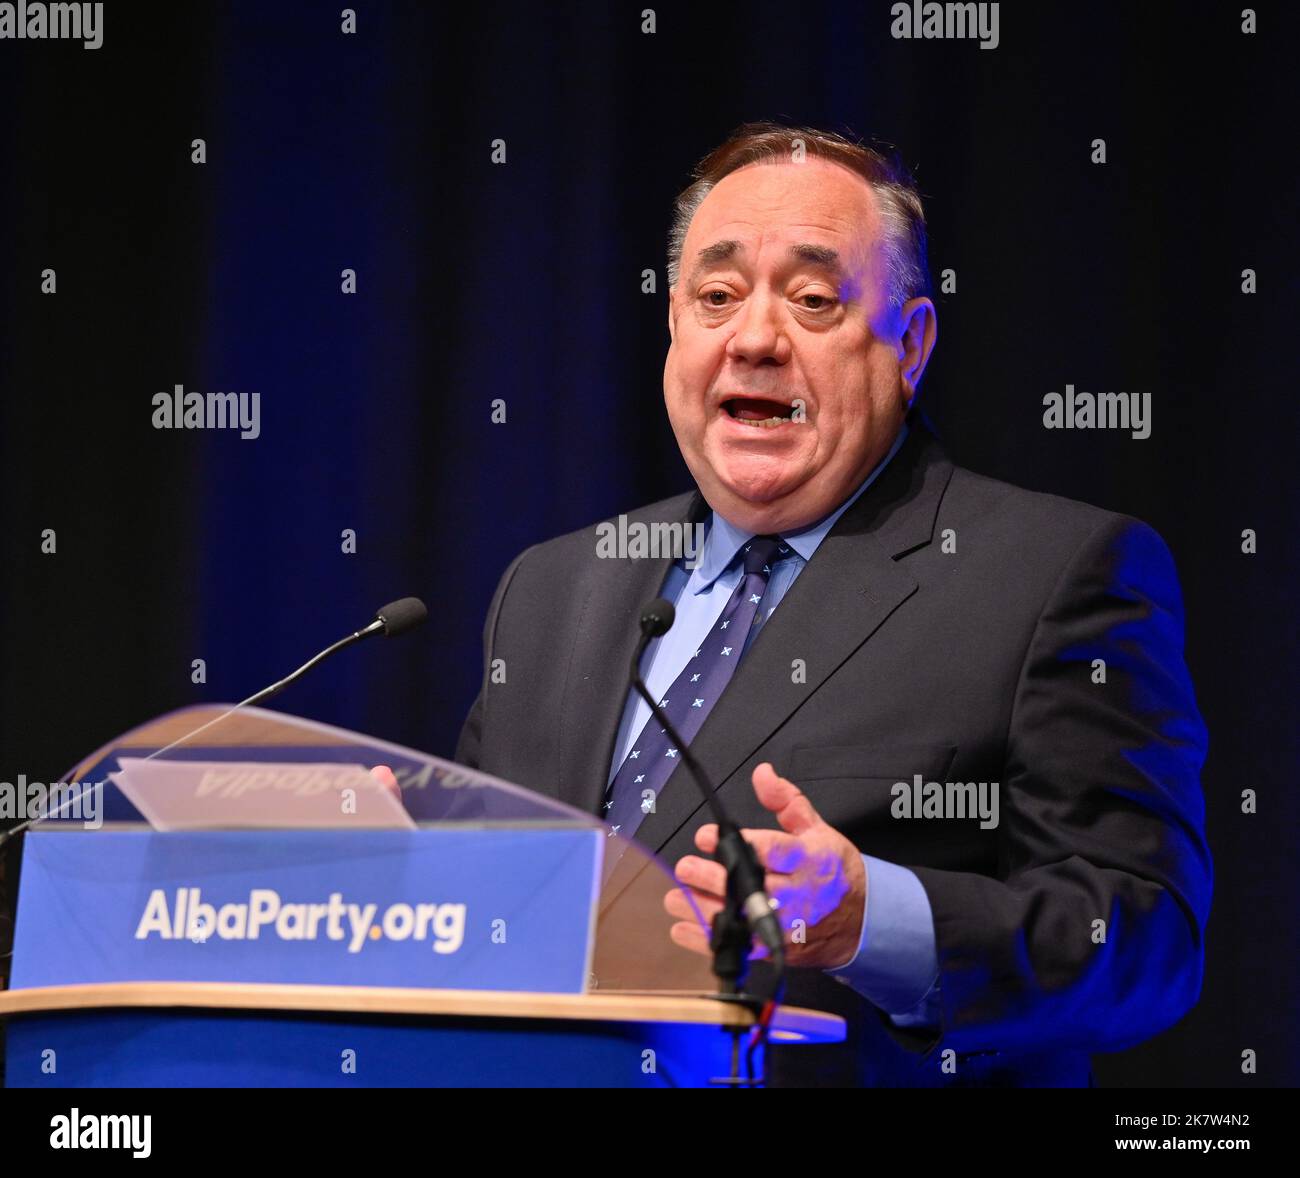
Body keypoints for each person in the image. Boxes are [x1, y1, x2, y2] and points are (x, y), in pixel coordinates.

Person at [456, 122, 1211, 1087]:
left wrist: (875, 921)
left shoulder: (1057, 574)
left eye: (813, 300)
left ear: (911, 343)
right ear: (674, 330)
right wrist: (397, 880)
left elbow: (1148, 942)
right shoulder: (555, 587)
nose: (756, 338)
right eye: (716, 297)